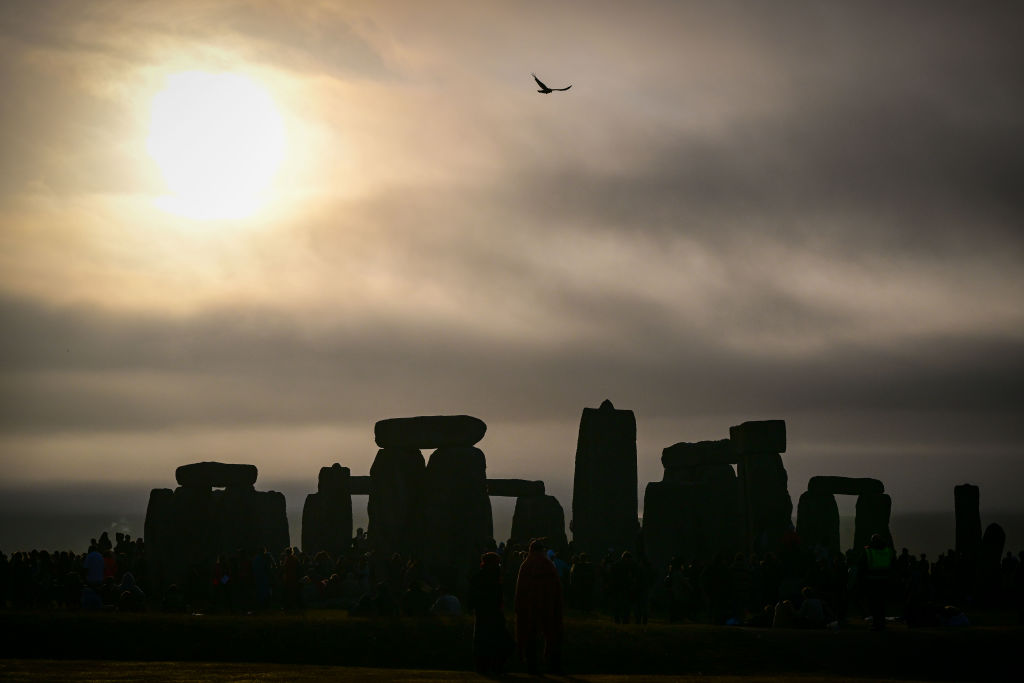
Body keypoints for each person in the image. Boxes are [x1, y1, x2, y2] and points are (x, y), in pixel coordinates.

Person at [515, 539, 563, 675]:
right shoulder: (548, 564)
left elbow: (520, 589)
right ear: (542, 550)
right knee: (552, 635)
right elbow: (557, 587)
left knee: (530, 636)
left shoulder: (526, 565)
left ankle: (532, 666)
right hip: (548, 605)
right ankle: (554, 666)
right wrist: (557, 605)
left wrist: (519, 606)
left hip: (530, 606)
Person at [468, 552, 513, 675]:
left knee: (482, 642)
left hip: (481, 613)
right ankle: (497, 666)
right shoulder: (496, 577)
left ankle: (482, 667)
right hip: (494, 613)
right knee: (502, 641)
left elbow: (471, 598)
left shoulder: (477, 577)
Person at [860, 533, 895, 631]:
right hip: (885, 581)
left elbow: (862, 565)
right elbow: (893, 564)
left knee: (874, 603)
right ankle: (882, 623)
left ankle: (876, 623)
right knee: (882, 603)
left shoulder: (868, 551)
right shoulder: (888, 551)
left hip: (872, 581)